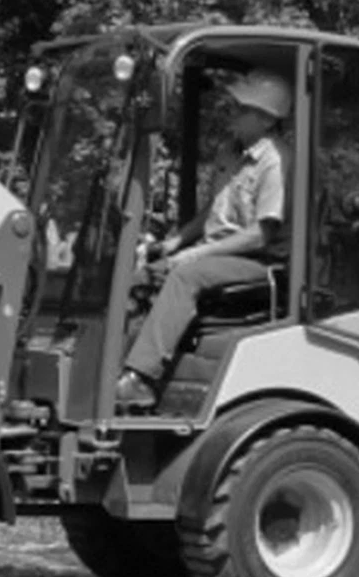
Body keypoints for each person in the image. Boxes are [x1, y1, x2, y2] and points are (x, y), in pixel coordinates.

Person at [115, 67, 293, 411]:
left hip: (261, 263)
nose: (233, 113)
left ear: (268, 121)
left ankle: (141, 379)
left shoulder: (276, 160)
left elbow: (261, 233)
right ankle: (113, 366)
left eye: (243, 109)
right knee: (139, 278)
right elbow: (215, 208)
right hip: (219, 255)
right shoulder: (230, 152)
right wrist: (174, 242)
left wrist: (198, 254)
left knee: (186, 275)